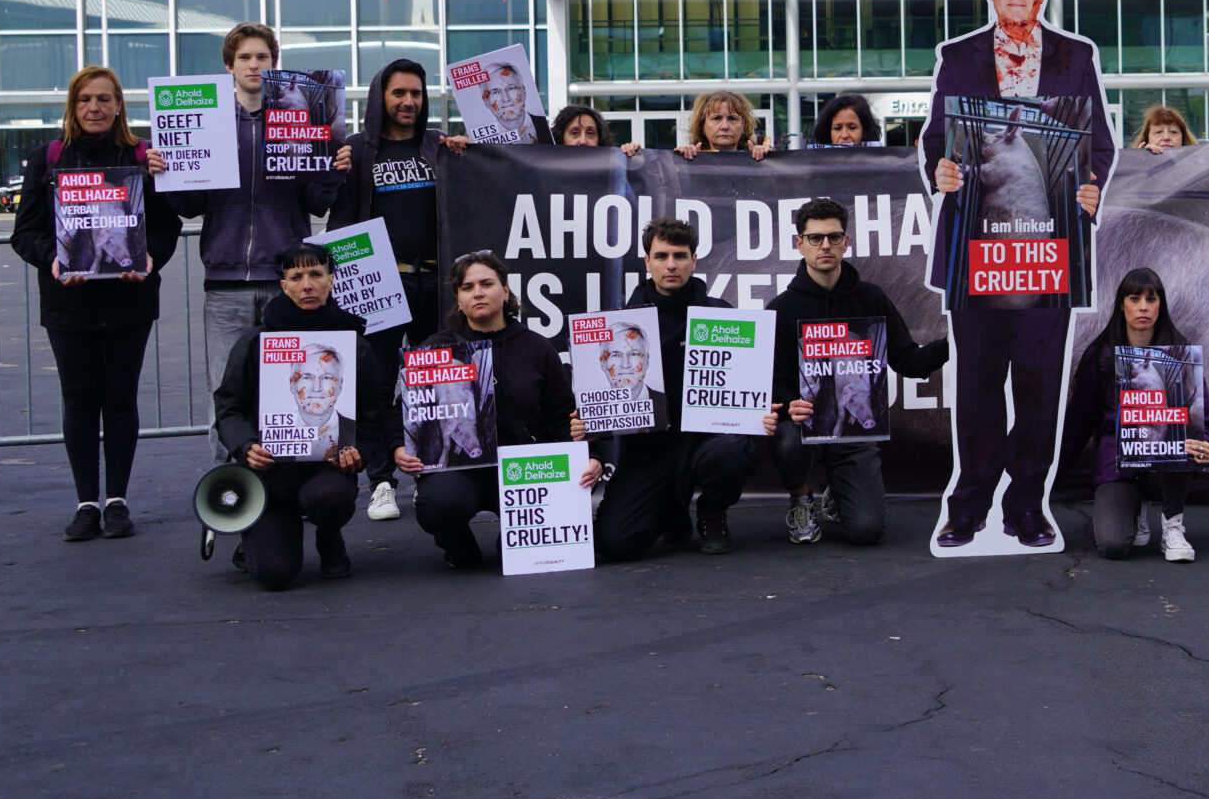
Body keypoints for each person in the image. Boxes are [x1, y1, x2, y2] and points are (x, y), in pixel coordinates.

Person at [922, 0, 1116, 550]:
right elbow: (936, 139)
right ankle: (969, 506)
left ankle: (1027, 507)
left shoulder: (1075, 56)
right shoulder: (959, 56)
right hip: (974, 252)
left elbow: (1100, 147)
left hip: (1047, 251)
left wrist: (1090, 188)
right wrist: (940, 172)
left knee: (1038, 385)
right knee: (976, 383)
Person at [8, 67, 180, 542]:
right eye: (85, 100)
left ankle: (118, 500)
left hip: (129, 298)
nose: (94, 108)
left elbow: (166, 228)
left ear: (119, 105)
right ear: (72, 105)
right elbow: (24, 233)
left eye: (104, 99)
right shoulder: (47, 158)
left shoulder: (143, 157)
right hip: (69, 302)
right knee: (80, 400)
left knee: (120, 398)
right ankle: (86, 502)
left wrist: (149, 256)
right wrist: (54, 260)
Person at [392, 251, 601, 570]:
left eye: (487, 283)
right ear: (458, 299)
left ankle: (517, 539)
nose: (477, 292)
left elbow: (564, 414)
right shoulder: (434, 349)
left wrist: (589, 455)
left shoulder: (537, 347)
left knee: (525, 557)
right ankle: (458, 547)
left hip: (528, 466)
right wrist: (398, 448)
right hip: (462, 470)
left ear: (505, 291)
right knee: (438, 503)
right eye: (467, 287)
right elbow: (404, 413)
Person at [169, 25, 340, 414]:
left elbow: (316, 201)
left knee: (286, 387)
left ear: (273, 64)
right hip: (226, 283)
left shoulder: (299, 123)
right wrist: (168, 173)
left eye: (262, 57)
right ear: (229, 65)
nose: (253, 64)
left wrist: (333, 167)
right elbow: (189, 204)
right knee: (226, 393)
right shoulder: (206, 120)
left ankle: (282, 476)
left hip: (288, 281)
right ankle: (229, 476)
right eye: (245, 57)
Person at [327, 60, 467, 522]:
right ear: (379, 98)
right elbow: (341, 221)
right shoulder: (357, 151)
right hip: (381, 286)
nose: (409, 101)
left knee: (438, 379)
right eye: (399, 93)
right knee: (378, 384)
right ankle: (381, 481)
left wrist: (467, 155)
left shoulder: (438, 146)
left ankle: (435, 470)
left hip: (435, 281)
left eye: (417, 94)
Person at [763, 198, 949, 547]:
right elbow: (773, 380)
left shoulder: (872, 299)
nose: (826, 246)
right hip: (802, 429)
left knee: (866, 530)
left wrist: (953, 343)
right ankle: (802, 498)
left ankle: (840, 488)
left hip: (852, 435)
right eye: (815, 238)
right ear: (799, 244)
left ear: (846, 241)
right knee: (786, 438)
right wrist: (788, 403)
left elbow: (908, 360)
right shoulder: (782, 308)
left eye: (834, 237)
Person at [210, 244, 380, 589]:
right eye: (296, 277)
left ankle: (330, 536)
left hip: (326, 471)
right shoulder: (256, 341)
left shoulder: (354, 344)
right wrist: (246, 445)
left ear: (331, 281)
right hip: (270, 475)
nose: (307, 285)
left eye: (316, 275)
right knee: (275, 575)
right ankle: (255, 534)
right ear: (283, 285)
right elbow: (228, 405)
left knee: (328, 498)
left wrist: (359, 452)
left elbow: (374, 412)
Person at [595, 218, 765, 559]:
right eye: (661, 256)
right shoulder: (620, 324)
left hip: (707, 441)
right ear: (647, 262)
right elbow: (605, 397)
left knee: (728, 454)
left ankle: (712, 511)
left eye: (679, 255)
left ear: (694, 260)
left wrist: (758, 416)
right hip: (649, 449)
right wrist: (591, 424)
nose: (670, 264)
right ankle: (670, 510)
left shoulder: (721, 315)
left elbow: (746, 388)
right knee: (614, 544)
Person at [1068, 268, 1209, 561]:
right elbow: (1078, 422)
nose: (1144, 307)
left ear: (1161, 305)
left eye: (1151, 299)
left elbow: (1202, 416)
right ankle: (1138, 509)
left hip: (1167, 466)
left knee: (1180, 438)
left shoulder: (1180, 353)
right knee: (1113, 545)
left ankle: (1173, 524)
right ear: (1122, 304)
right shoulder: (1100, 356)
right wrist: (1043, 482)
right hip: (1117, 464)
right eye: (1135, 298)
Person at [675, 90, 772, 159]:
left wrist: (769, 160)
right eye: (716, 118)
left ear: (744, 126)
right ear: (702, 126)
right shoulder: (687, 162)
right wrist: (679, 160)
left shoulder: (760, 161)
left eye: (732, 118)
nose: (725, 126)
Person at [548, 103, 645, 155]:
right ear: (561, 138)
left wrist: (631, 158)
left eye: (590, 133)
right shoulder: (545, 173)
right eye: (575, 132)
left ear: (600, 139)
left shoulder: (614, 171)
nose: (583, 141)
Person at [811, 93, 882, 147]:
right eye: (837, 128)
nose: (844, 135)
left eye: (852, 127)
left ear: (865, 130)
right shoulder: (813, 164)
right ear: (828, 133)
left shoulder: (881, 163)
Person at [1130, 105, 1196, 153]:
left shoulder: (1198, 164)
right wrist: (1139, 159)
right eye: (1158, 132)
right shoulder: (1132, 166)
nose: (1166, 137)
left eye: (1173, 132)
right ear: (1147, 139)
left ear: (1183, 137)